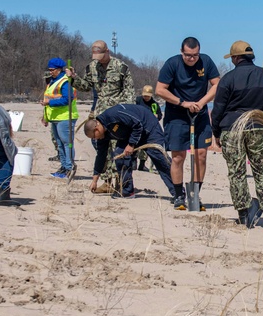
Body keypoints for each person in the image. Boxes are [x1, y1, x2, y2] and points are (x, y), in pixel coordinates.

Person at [210, 40, 263, 229]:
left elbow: (218, 108)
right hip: (258, 125)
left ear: (235, 58)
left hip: (232, 128)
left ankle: (243, 216)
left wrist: (216, 131)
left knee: (237, 173)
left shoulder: (228, 78)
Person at [154, 37, 220, 210]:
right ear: (181, 52)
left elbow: (216, 84)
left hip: (200, 114)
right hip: (177, 115)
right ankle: (178, 195)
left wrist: (202, 102)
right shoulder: (172, 64)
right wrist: (182, 102)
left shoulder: (206, 61)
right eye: (188, 55)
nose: (192, 59)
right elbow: (160, 89)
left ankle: (195, 194)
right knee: (178, 156)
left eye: (195, 55)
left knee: (201, 154)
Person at [70, 40, 134, 194]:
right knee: (99, 146)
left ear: (107, 52)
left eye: (101, 55)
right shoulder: (92, 67)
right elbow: (85, 86)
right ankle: (107, 179)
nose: (98, 59)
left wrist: (127, 113)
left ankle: (119, 181)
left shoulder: (121, 67)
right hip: (100, 115)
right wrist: (73, 78)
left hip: (117, 114)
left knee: (116, 148)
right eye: (95, 56)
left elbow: (129, 92)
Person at [83, 104, 176, 200]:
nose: (95, 139)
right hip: (128, 134)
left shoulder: (113, 115)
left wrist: (131, 144)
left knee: (160, 160)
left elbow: (137, 124)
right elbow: (101, 156)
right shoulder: (102, 135)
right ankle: (127, 191)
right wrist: (95, 180)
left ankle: (178, 192)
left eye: (94, 136)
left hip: (148, 127)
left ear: (97, 129)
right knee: (120, 155)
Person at [40, 58, 78, 179]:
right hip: (55, 118)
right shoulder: (52, 81)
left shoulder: (65, 81)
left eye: (52, 70)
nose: (50, 72)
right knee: (59, 144)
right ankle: (63, 166)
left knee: (67, 143)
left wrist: (49, 103)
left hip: (65, 117)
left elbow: (67, 99)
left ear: (58, 69)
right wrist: (45, 116)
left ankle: (69, 167)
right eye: (49, 70)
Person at [135, 85, 162, 171]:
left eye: (147, 96)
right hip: (137, 125)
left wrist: (156, 116)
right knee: (134, 144)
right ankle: (133, 163)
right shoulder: (138, 100)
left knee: (144, 146)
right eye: (144, 95)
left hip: (147, 128)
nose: (146, 97)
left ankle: (142, 164)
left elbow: (160, 116)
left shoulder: (154, 104)